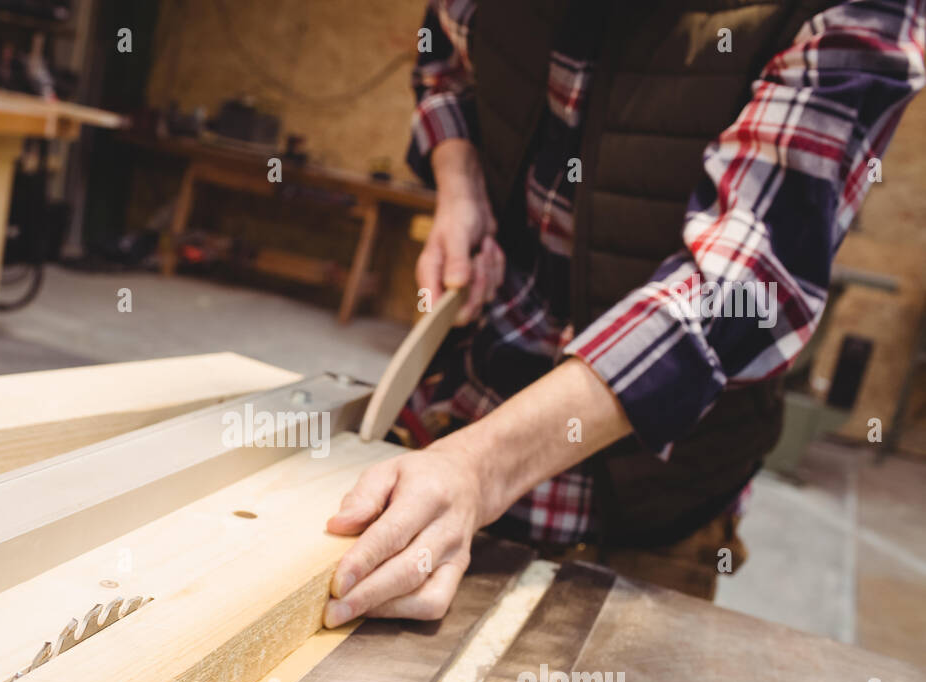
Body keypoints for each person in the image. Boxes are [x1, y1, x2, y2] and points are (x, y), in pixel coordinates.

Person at [323, 0, 925, 628]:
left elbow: (745, 286)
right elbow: (442, 56)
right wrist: (459, 179)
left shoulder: (858, 12)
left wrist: (480, 467)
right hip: (458, 411)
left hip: (641, 512)